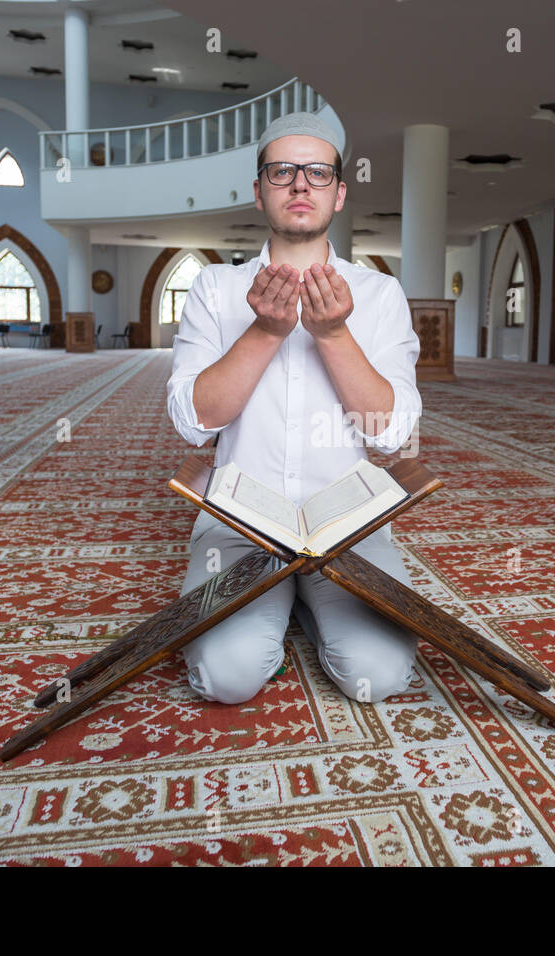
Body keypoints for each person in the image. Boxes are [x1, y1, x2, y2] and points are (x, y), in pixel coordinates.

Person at [166, 112, 423, 706]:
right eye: (282, 171)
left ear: (338, 192)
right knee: (226, 680)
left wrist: (334, 336)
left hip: (349, 525)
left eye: (317, 172)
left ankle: (305, 597)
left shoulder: (380, 294)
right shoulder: (216, 288)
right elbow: (191, 421)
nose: (300, 184)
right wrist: (264, 331)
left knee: (378, 677)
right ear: (259, 191)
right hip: (240, 523)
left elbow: (391, 436)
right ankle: (289, 598)